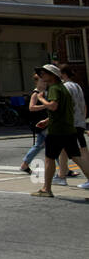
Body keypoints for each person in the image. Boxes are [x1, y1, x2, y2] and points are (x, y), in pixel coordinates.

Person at [30, 63, 89, 197]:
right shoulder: (64, 88)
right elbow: (64, 110)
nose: (42, 76)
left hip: (57, 130)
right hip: (68, 128)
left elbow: (53, 106)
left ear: (52, 76)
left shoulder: (54, 89)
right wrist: (46, 121)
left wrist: (41, 99)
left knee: (49, 158)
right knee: (77, 157)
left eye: (44, 73)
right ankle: (49, 186)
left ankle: (46, 189)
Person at [56, 64, 88, 189]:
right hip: (79, 123)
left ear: (63, 74)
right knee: (64, 151)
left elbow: (64, 107)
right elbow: (83, 105)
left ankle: (87, 177)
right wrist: (83, 120)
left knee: (79, 154)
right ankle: (61, 177)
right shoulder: (77, 86)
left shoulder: (65, 87)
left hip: (70, 125)